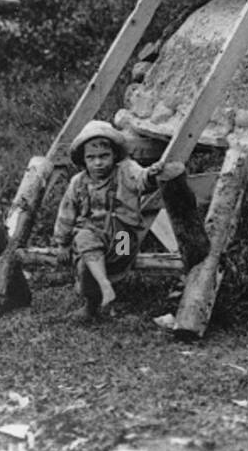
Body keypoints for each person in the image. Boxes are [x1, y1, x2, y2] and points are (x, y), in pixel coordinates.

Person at [52, 120, 178, 321]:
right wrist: (63, 243)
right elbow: (66, 212)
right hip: (93, 235)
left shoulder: (126, 170)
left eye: (104, 156)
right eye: (91, 158)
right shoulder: (78, 182)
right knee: (84, 243)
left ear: (115, 155)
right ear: (84, 160)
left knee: (121, 254)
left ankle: (113, 294)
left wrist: (151, 175)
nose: (98, 163)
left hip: (123, 233)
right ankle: (99, 292)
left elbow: (141, 180)